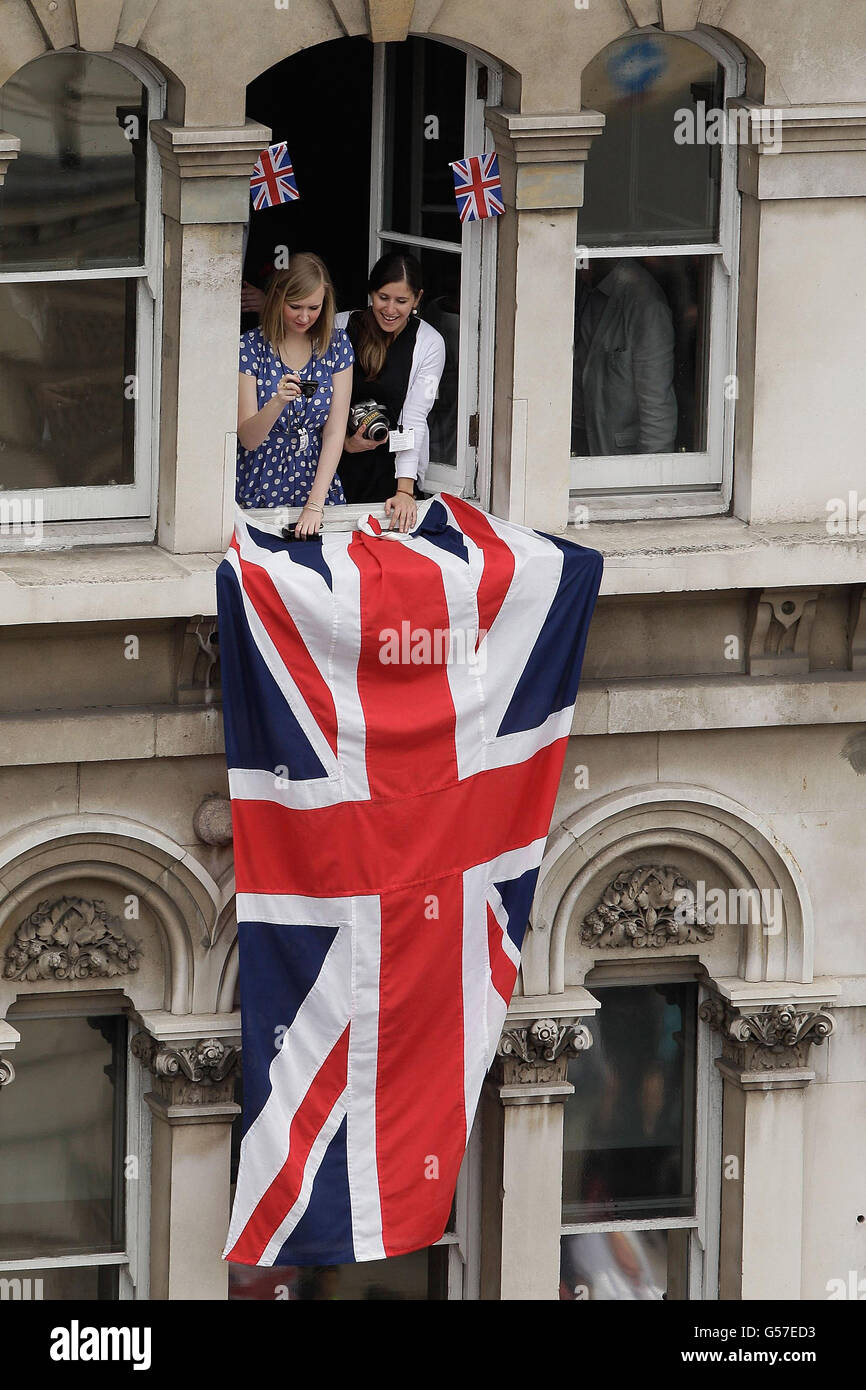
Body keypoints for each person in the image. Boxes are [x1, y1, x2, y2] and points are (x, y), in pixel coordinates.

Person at [236, 252, 353, 536]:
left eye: (314, 307)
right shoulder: (250, 347)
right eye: (295, 306)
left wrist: (315, 504)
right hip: (259, 478)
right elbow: (248, 439)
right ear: (277, 298)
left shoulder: (337, 345)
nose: (304, 316)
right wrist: (277, 402)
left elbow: (335, 432)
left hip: (315, 478)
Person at [335, 252, 446, 533]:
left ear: (418, 299)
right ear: (371, 292)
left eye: (402, 301)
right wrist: (346, 444)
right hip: (335, 457)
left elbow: (415, 417)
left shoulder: (429, 343)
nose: (390, 309)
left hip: (392, 468)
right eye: (383, 297)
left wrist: (405, 491)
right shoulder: (341, 327)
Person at [572, 258, 677, 457]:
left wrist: (650, 477)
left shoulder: (646, 305)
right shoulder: (589, 289)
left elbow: (657, 408)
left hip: (623, 465)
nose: (580, 264)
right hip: (585, 448)